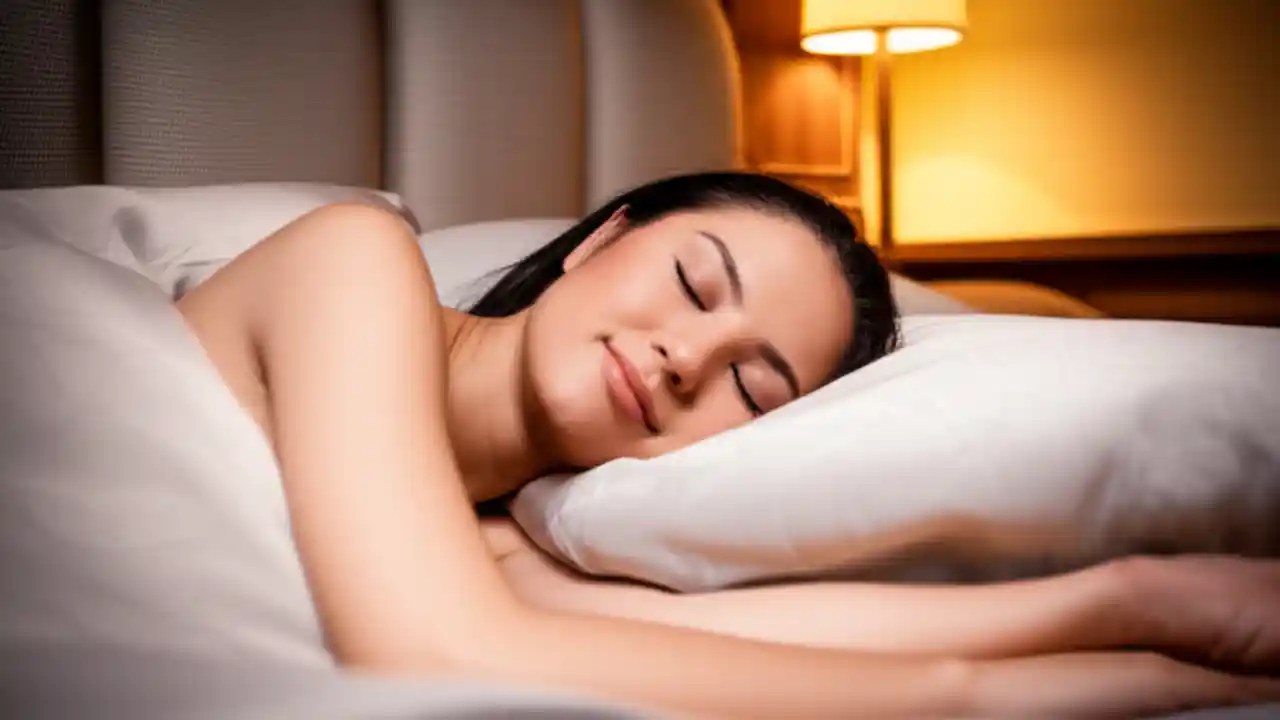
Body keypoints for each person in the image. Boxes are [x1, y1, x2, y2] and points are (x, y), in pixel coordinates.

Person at [176, 172, 1280, 718]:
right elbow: (441, 656)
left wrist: (1138, 614)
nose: (681, 358)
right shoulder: (355, 258)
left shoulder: (494, 546)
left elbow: (765, 658)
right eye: (694, 282)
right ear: (601, 238)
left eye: (752, 385)